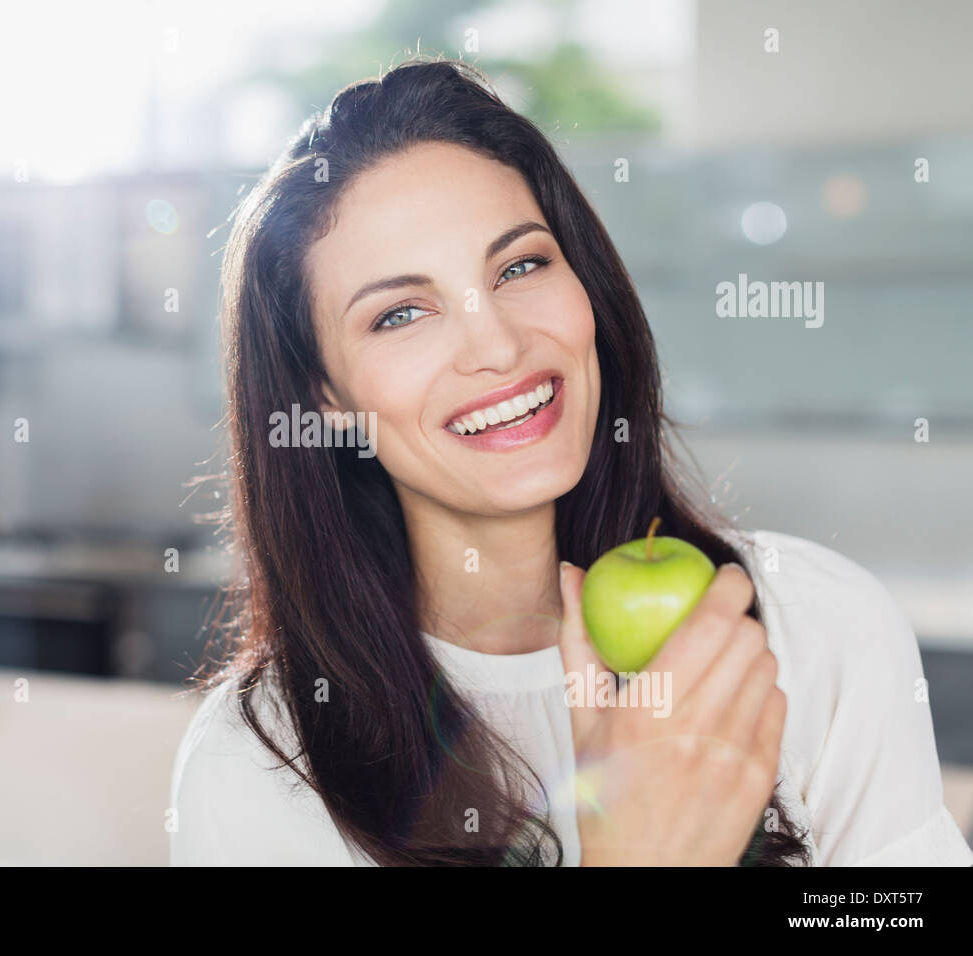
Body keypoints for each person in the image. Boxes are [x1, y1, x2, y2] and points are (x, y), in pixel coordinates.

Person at [169, 57, 971, 866]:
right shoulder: (259, 768)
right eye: (401, 313)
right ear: (325, 399)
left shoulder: (821, 626)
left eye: (519, 266)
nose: (499, 345)